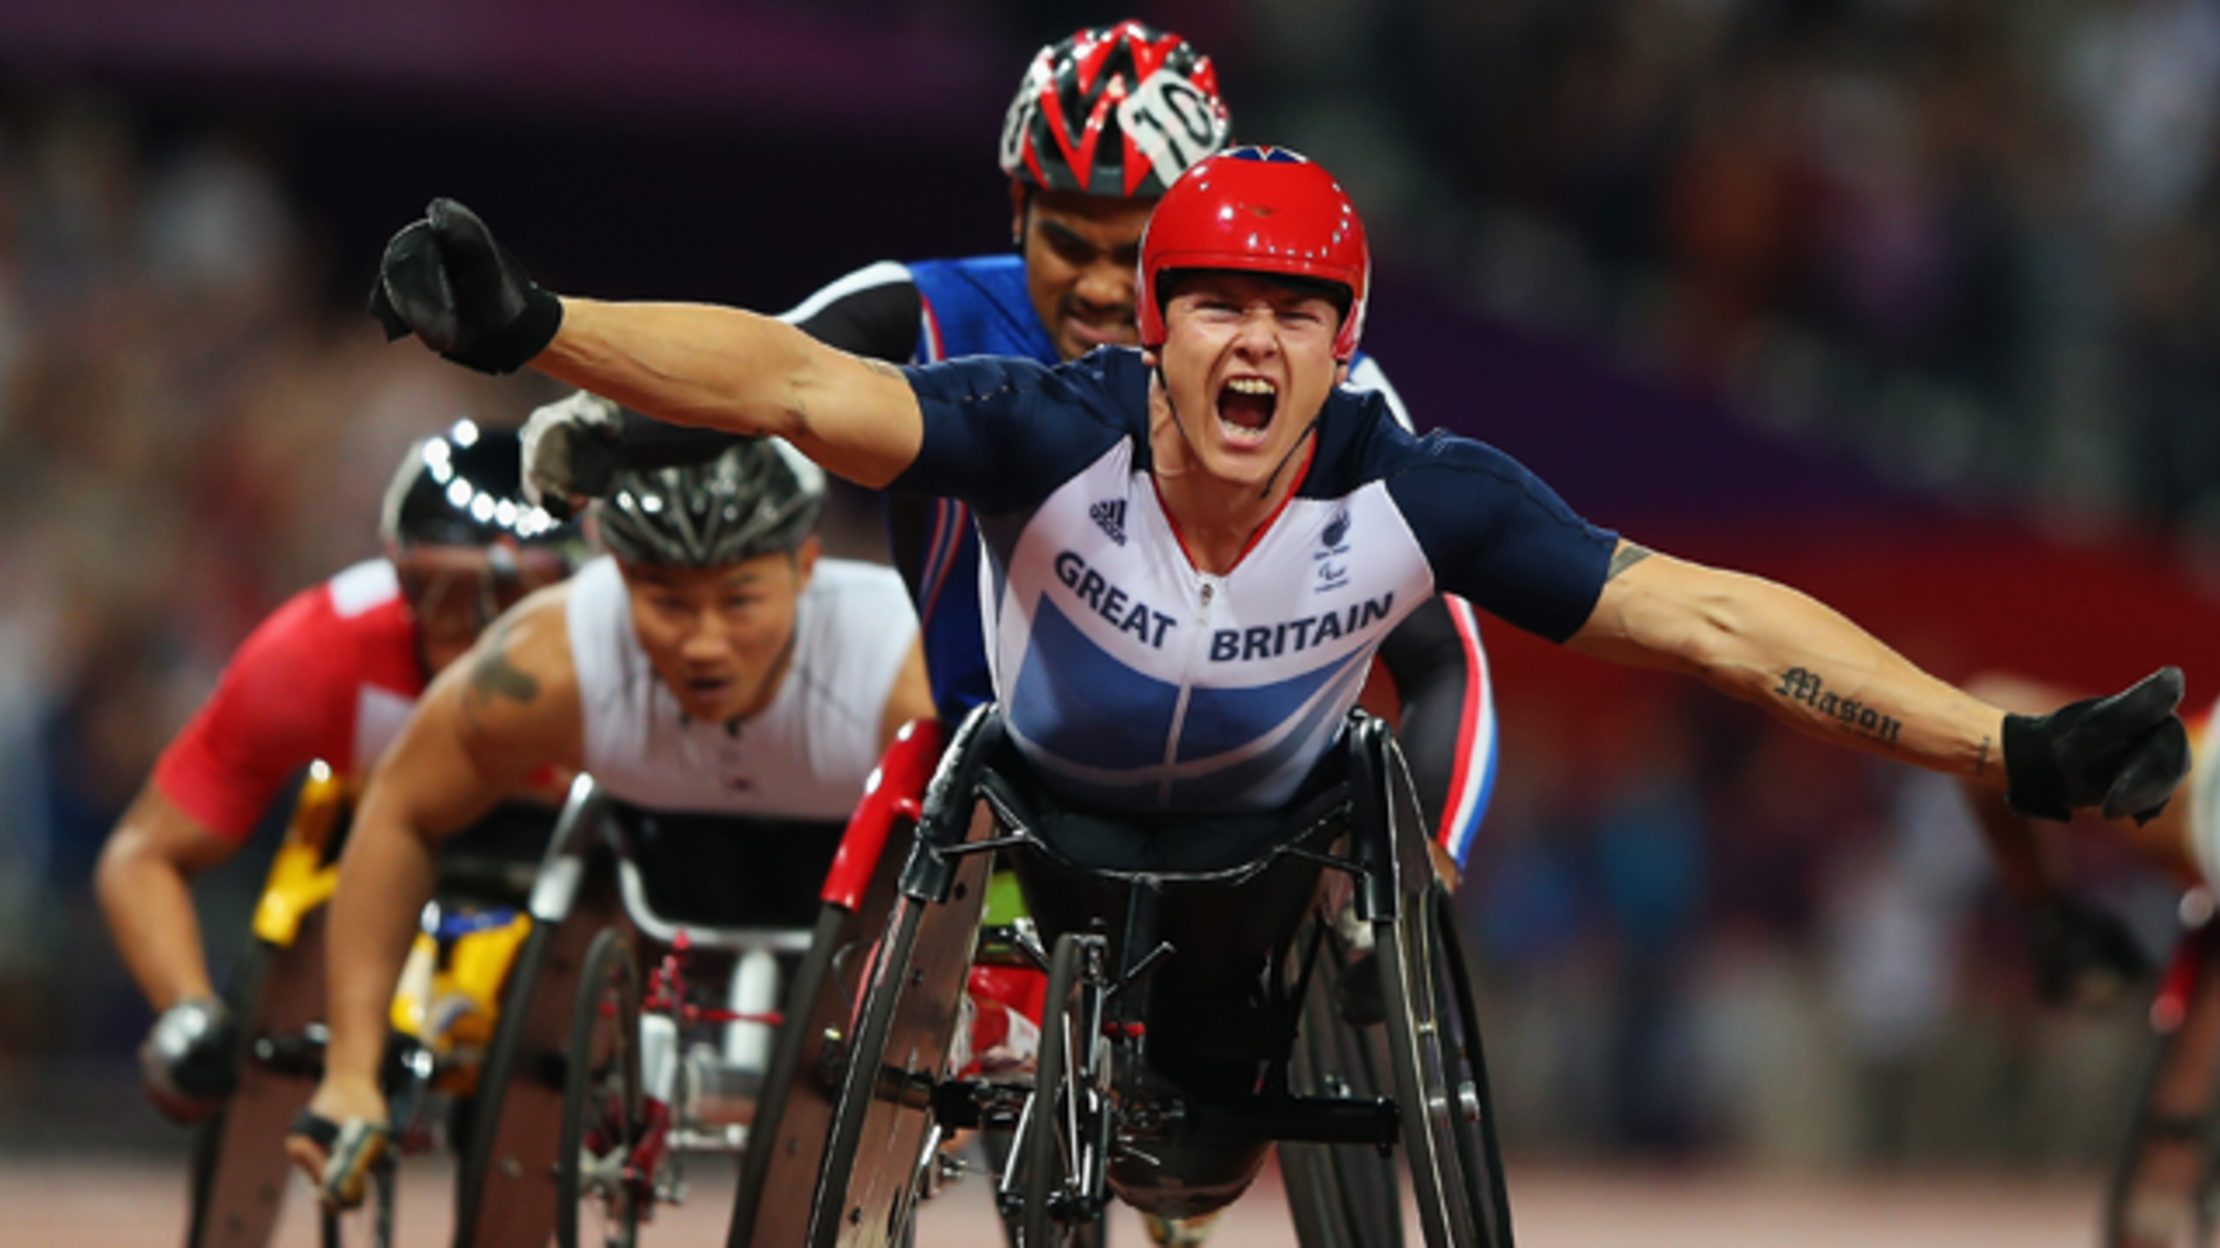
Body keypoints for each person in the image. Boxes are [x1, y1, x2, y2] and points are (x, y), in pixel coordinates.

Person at [366, 132, 2190, 1016]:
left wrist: (2004, 750)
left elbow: (1714, 615)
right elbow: (787, 381)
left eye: (1299, 313)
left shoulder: (1425, 494)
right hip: (1034, 819)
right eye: (1219, 305)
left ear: (1346, 346)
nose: (1256, 341)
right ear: (1151, 325)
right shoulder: (1042, 425)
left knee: (1223, 1133)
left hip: (1264, 856)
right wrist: (538, 324)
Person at [523, 19, 1501, 876]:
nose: (1102, 288)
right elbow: (768, 373)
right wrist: (610, 431)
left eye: (1139, 252)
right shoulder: (931, 312)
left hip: (1250, 822)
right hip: (991, 786)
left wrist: (1418, 874)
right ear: (1017, 213)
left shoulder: (1317, 382)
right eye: (1069, 243)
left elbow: (1445, 661)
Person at [282, 430, 934, 1204]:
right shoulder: (549, 660)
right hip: (659, 855)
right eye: (668, 603)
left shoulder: (902, 664)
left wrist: (966, 1037)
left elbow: (1002, 844)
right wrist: (351, 1072)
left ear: (805, 567)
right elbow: (399, 811)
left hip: (868, 870)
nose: (704, 643)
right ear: (619, 575)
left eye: (739, 601)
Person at [96, 421, 582, 1128]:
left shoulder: (616, 658)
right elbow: (143, 853)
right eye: (446, 593)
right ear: (399, 575)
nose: (479, 632)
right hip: (371, 829)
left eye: (513, 599)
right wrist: (189, 1011)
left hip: (552, 843)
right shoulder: (316, 653)